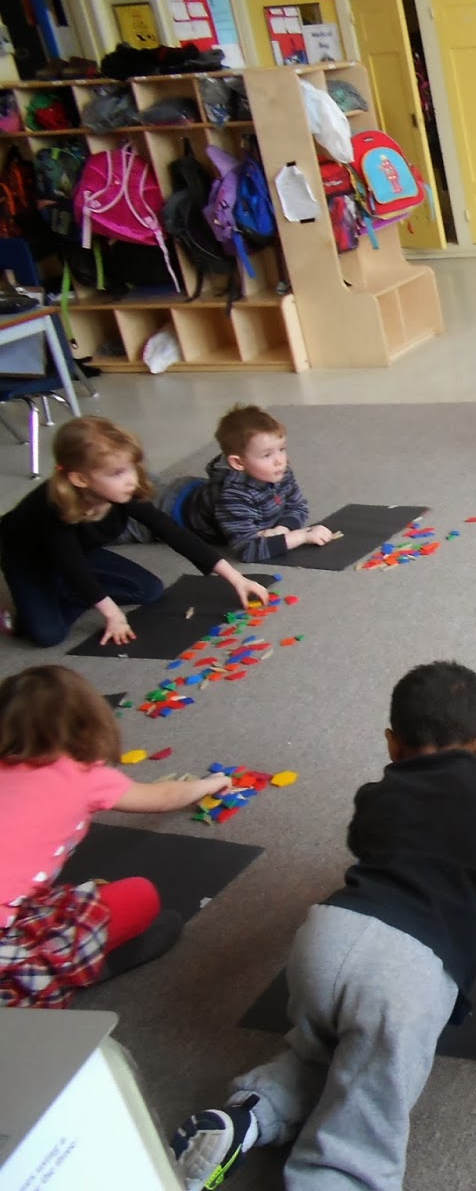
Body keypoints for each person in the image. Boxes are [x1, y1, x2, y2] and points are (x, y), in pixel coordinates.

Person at [169, 661, 476, 1190]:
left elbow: (364, 845)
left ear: (392, 744)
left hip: (326, 938)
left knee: (328, 1051)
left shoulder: (375, 795)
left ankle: (251, 1114)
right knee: (366, 1113)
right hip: (408, 972)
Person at [1, 665, 232, 1008]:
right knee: (141, 897)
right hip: (9, 942)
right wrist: (213, 784)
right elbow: (163, 798)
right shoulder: (83, 775)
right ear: (88, 723)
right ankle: (80, 968)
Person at [0, 417, 273, 648]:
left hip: (79, 553)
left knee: (148, 590)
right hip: (29, 556)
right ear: (80, 479)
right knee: (49, 635)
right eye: (118, 472)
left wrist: (235, 578)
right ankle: (37, 605)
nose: (131, 478)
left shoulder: (121, 492)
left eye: (131, 467)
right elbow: (71, 563)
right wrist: (111, 613)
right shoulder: (54, 507)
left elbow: (170, 530)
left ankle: (63, 592)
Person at [154, 404, 334, 563]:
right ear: (238, 463)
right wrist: (301, 536)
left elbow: (297, 506)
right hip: (170, 510)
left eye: (281, 449)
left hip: (197, 492)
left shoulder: (279, 470)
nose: (280, 460)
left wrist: (281, 529)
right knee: (132, 507)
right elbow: (246, 550)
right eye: (266, 455)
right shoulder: (233, 497)